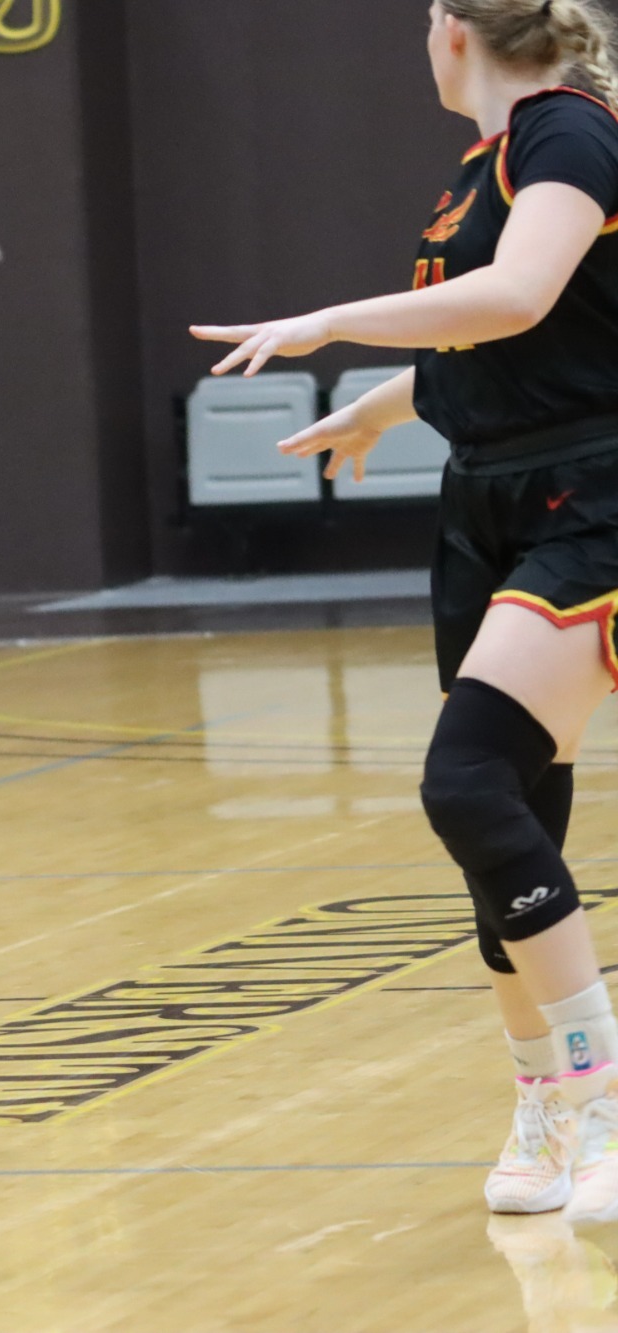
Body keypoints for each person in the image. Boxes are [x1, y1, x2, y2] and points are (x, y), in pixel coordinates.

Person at [192, 0, 618, 1223]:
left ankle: (598, 1092)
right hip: (484, 495)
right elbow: (487, 346)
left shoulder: (569, 133)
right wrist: (380, 407)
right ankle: (542, 1095)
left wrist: (329, 321)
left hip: (588, 491)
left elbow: (522, 296)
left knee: (465, 784)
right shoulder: (476, 170)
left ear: (450, 29)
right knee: (513, 808)